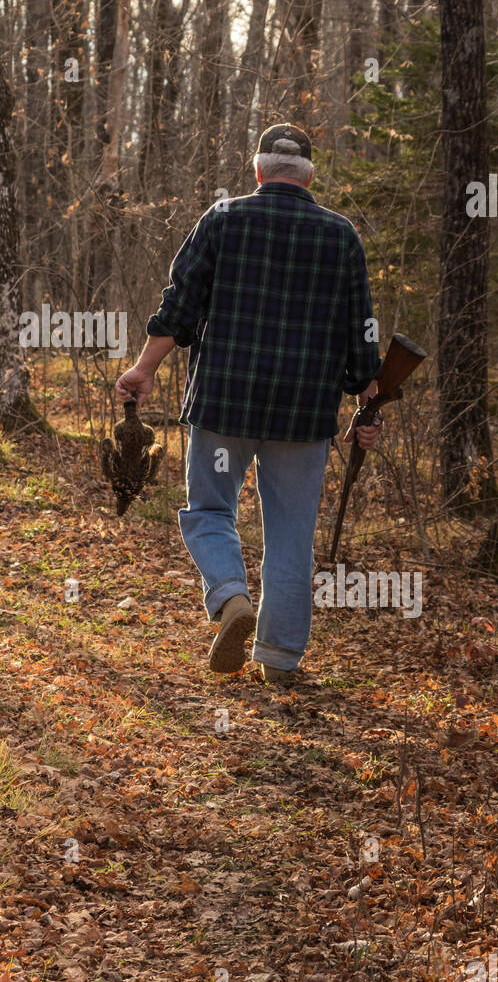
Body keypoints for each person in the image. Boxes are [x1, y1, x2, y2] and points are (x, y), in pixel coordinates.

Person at [116, 123, 383, 687]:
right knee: (290, 533)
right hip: (304, 415)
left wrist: (143, 368)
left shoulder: (224, 219)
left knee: (209, 511)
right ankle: (280, 659)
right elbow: (362, 332)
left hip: (225, 403)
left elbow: (179, 306)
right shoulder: (341, 236)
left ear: (258, 172)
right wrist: (368, 398)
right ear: (310, 178)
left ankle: (231, 598)